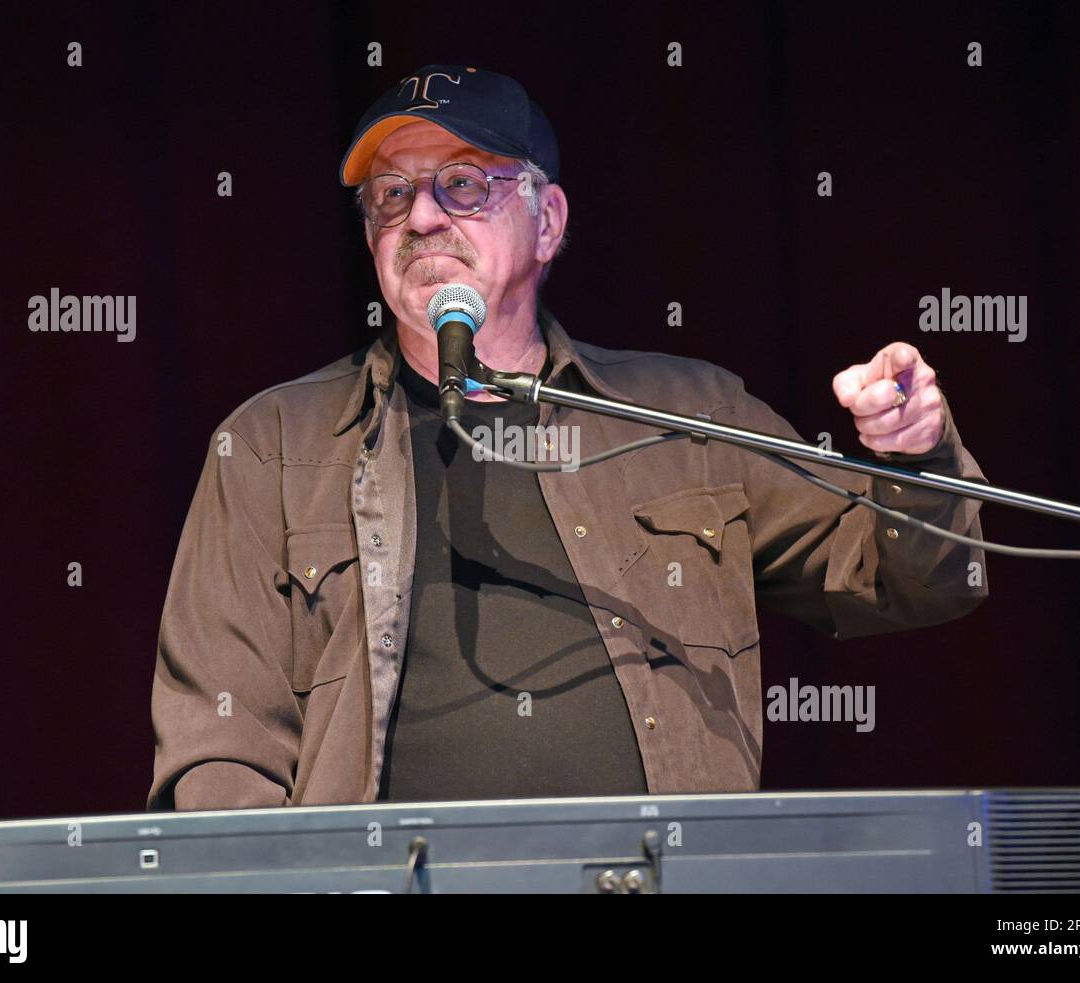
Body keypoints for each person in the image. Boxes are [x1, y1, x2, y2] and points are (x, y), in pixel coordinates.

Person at [147, 65, 988, 810]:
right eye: (392, 195)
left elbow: (916, 580)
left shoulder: (687, 416)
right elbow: (218, 754)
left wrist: (916, 451)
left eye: (463, 185)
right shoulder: (270, 447)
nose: (422, 217)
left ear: (546, 221)